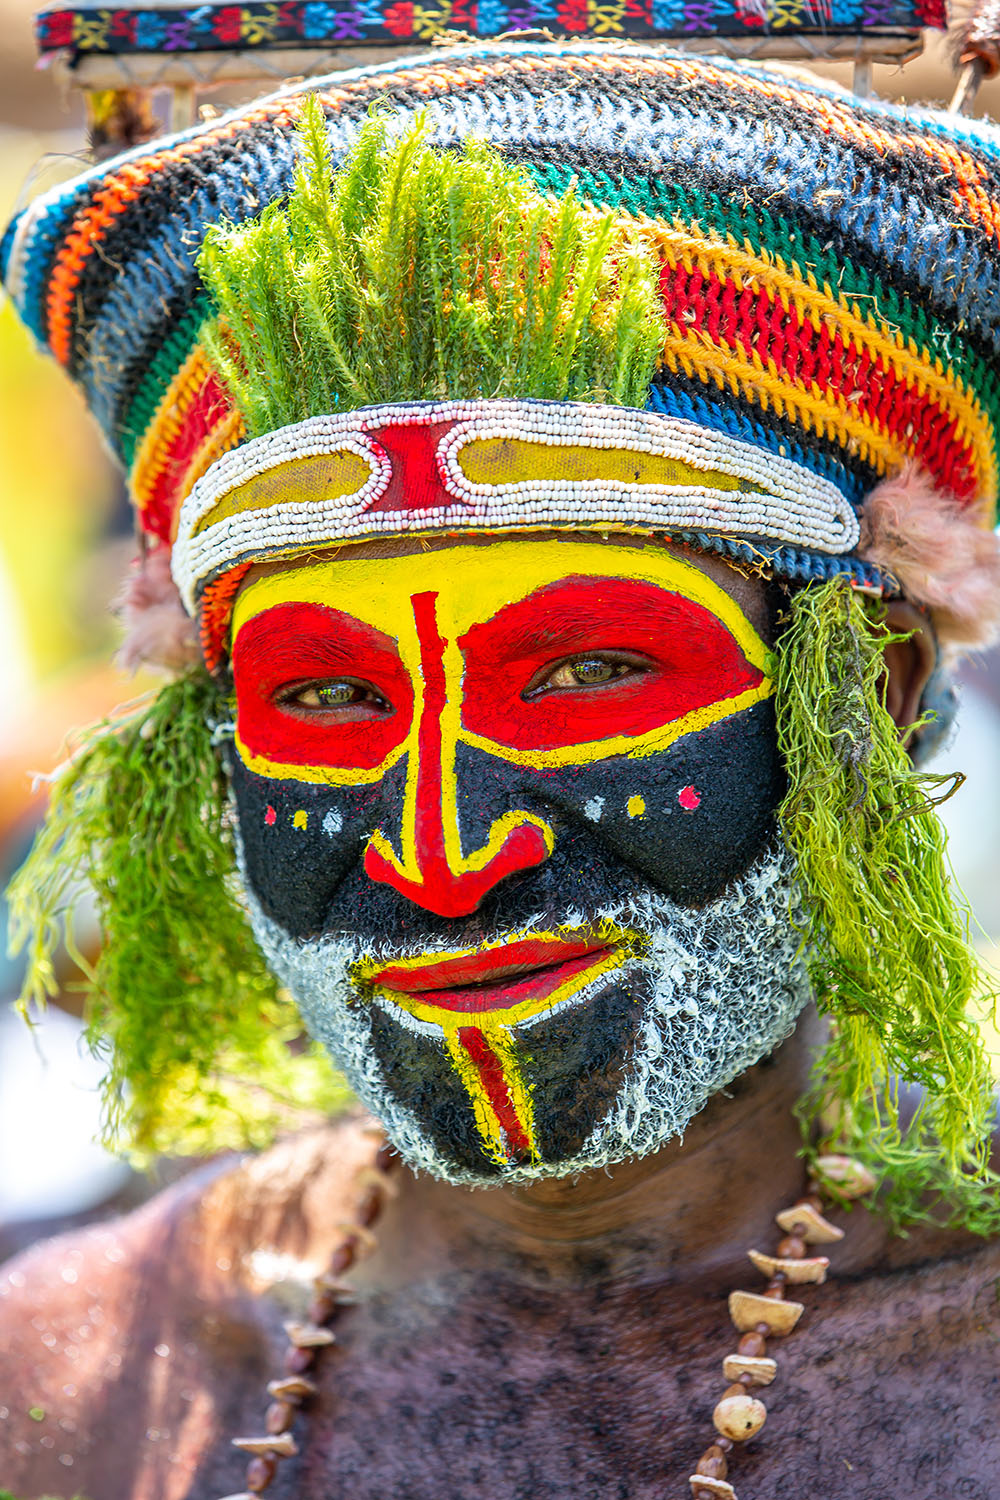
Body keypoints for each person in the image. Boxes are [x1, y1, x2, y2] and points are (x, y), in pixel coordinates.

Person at [1, 43, 1000, 1500]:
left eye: (591, 676)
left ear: (875, 698)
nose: (441, 852)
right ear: (213, 758)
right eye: (332, 698)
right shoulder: (70, 1374)